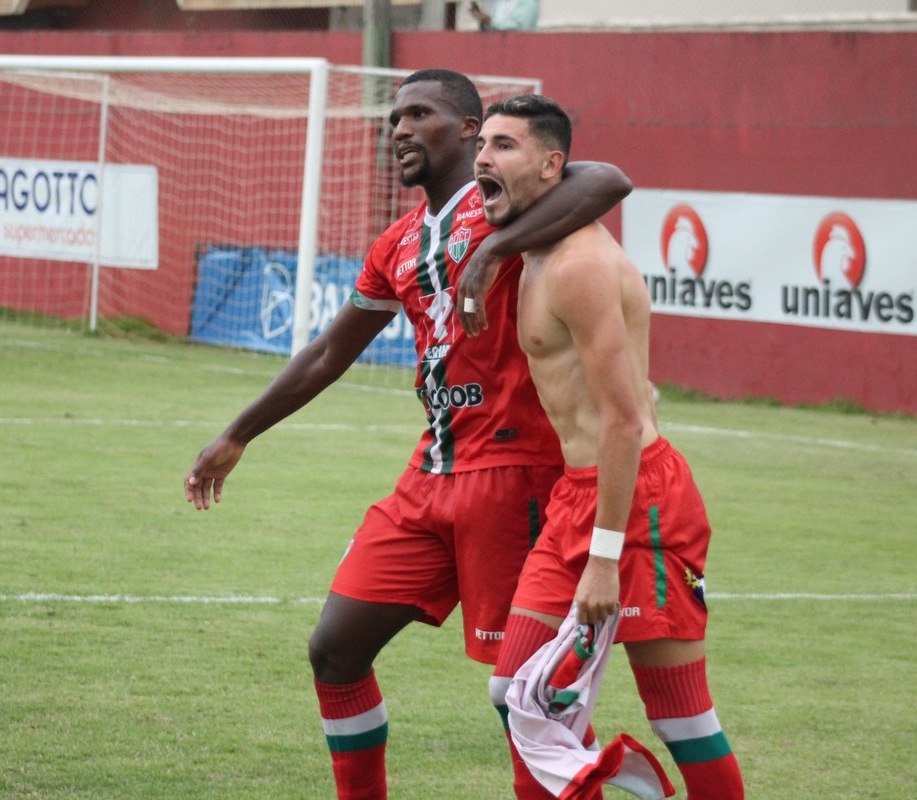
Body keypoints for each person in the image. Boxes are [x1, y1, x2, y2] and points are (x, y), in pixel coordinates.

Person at [186, 69, 631, 800]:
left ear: (469, 131)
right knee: (335, 650)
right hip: (430, 477)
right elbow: (329, 354)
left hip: (514, 475)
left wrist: (494, 250)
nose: (398, 130)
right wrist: (238, 434)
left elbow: (607, 179)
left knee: (522, 697)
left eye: (419, 114)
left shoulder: (510, 207)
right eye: (394, 118)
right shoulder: (396, 242)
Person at [470, 94, 744, 799]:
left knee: (681, 716)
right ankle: (611, 776)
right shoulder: (528, 243)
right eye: (483, 144)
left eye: (504, 145)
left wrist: (603, 559)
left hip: (640, 500)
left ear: (552, 166)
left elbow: (623, 421)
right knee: (515, 692)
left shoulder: (580, 264)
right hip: (576, 494)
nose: (483, 158)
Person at [468, 0, 539, 31]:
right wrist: (482, 19)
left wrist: (491, 22)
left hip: (521, 48)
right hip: (498, 49)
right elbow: (492, 26)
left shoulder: (527, 2)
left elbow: (519, 27)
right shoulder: (498, 3)